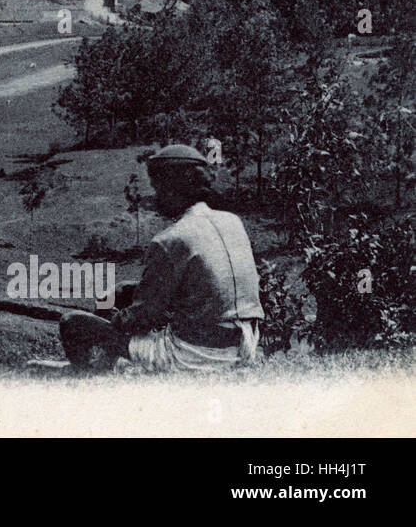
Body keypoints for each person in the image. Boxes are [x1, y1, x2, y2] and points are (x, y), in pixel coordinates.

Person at [59, 144, 265, 371]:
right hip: (245, 345)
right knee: (120, 292)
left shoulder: (171, 239)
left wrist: (115, 321)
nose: (156, 198)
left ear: (172, 188)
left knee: (73, 323)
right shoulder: (231, 221)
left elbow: (145, 315)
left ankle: (92, 373)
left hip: (198, 355)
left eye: (158, 189)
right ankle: (105, 363)